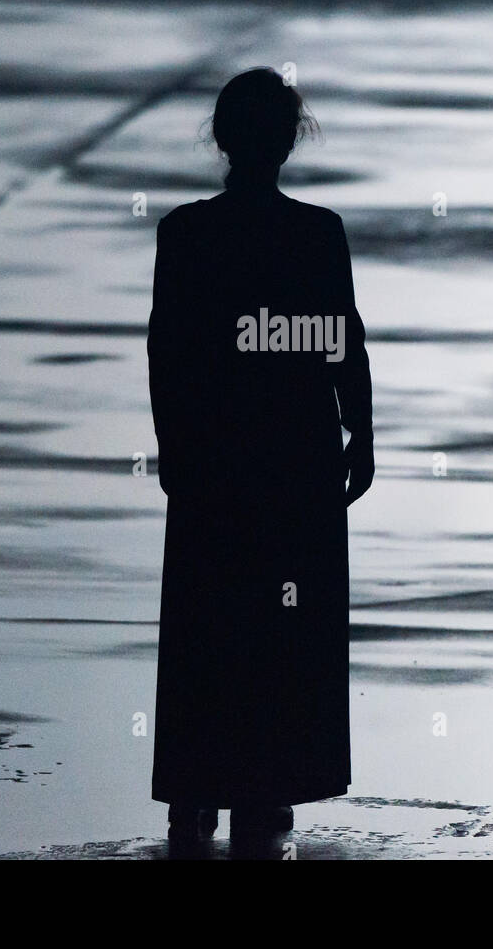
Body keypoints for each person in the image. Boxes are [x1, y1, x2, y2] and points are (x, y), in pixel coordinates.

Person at [147, 68, 374, 844]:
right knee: (283, 627)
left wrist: (173, 444)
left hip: (213, 455)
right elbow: (343, 341)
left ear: (222, 137)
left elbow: (167, 353)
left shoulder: (184, 233)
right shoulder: (316, 233)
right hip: (294, 455)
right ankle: (266, 779)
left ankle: (194, 785)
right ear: (286, 142)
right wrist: (361, 431)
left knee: (207, 620)